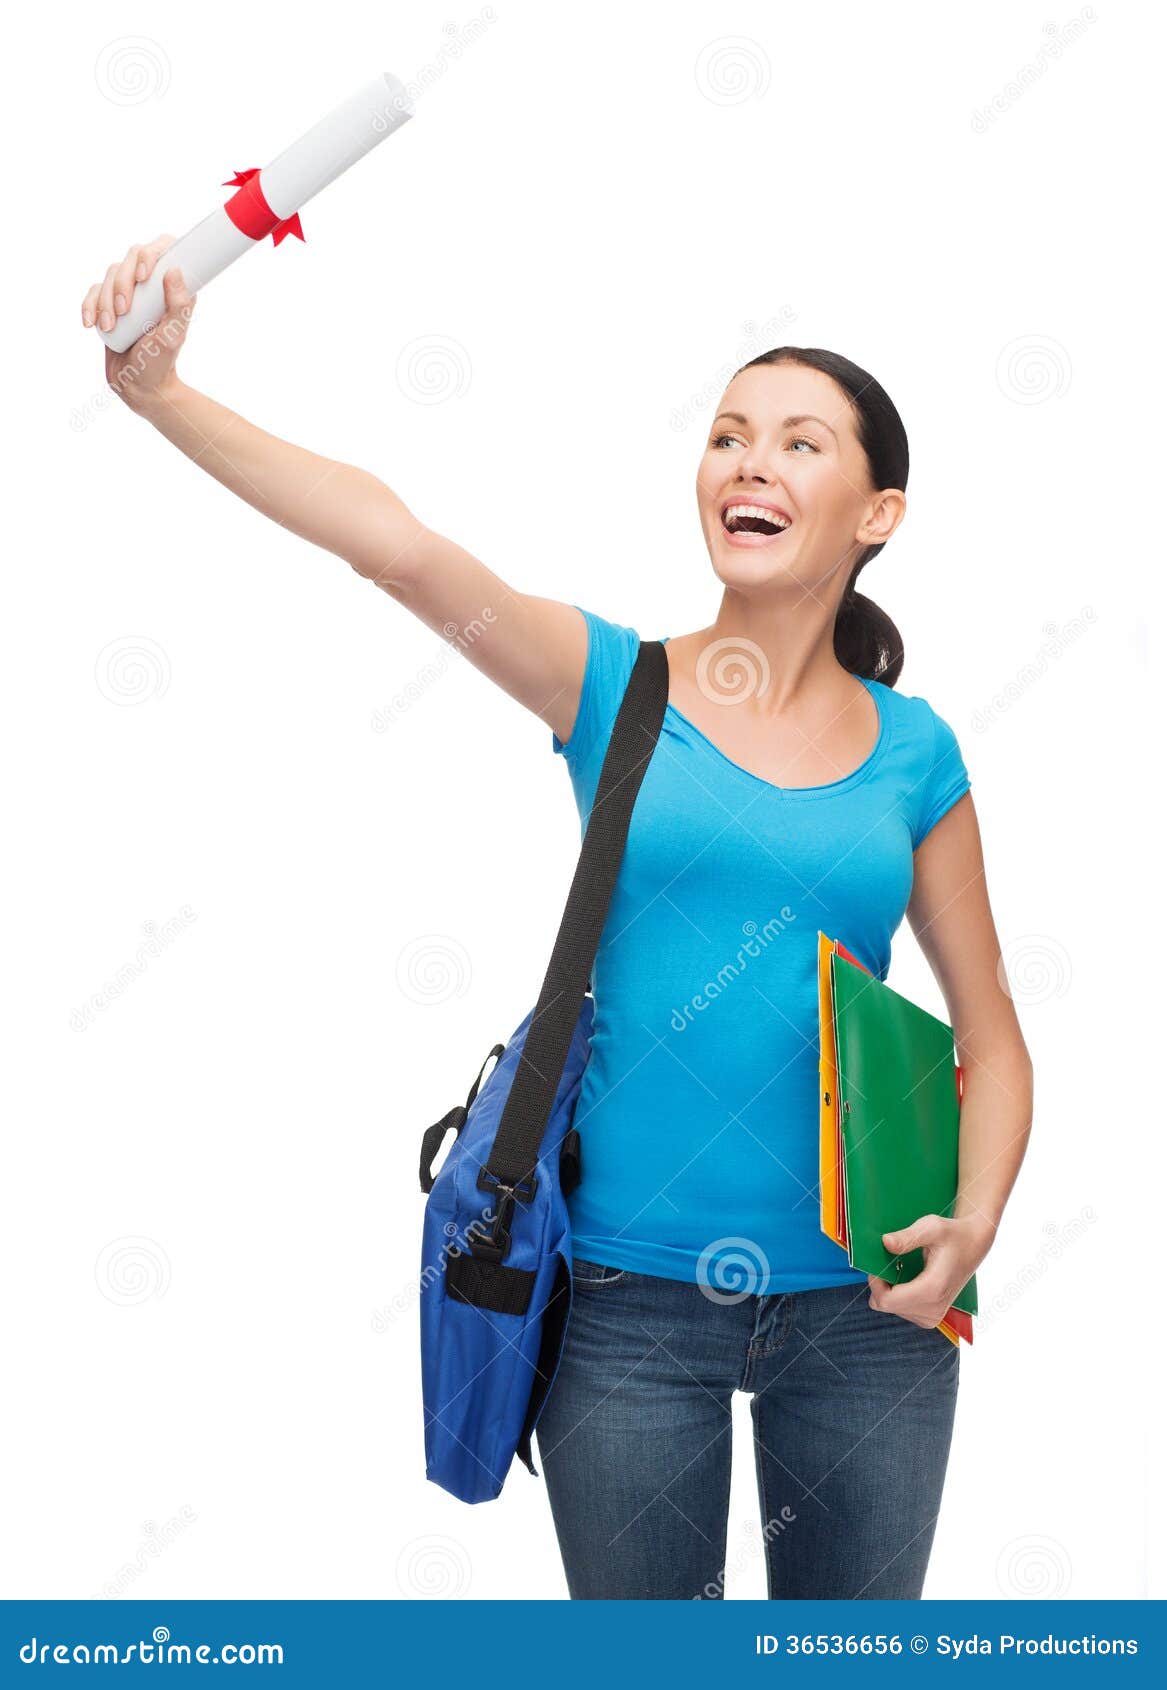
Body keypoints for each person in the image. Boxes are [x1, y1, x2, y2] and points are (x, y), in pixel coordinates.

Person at [81, 240, 1034, 1600]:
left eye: (798, 444)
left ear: (878, 511)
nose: (748, 464)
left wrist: (978, 1221)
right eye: (725, 436)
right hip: (626, 1313)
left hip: (871, 1312)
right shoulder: (612, 687)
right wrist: (164, 393)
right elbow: (397, 545)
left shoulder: (916, 751)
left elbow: (993, 1039)